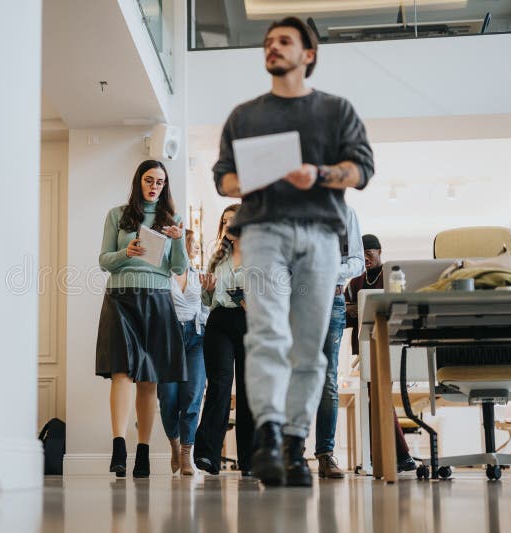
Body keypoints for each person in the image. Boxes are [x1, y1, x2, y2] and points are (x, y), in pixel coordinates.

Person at [212, 16, 374, 487]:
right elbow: (223, 178)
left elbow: (361, 169)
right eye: (268, 41)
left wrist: (318, 174)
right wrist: (253, 177)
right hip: (262, 231)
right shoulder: (244, 116)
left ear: (309, 54)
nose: (273, 47)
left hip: (321, 235)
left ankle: (294, 443)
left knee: (309, 344)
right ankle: (267, 435)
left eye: (284, 41)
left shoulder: (336, 110)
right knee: (267, 334)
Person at [96, 159, 189, 478]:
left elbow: (178, 268)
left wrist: (179, 239)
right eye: (149, 180)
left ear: (165, 186)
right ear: (139, 181)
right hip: (120, 299)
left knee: (149, 379)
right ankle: (119, 447)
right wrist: (127, 253)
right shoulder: (117, 215)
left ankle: (144, 453)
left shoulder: (173, 220)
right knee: (121, 373)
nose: (154, 186)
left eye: (160, 182)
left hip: (156, 299)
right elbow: (104, 261)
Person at [345, 233, 417, 472]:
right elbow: (342, 314)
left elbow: (397, 306)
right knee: (374, 398)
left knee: (378, 397)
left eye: (369, 254)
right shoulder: (354, 282)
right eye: (361, 255)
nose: (365, 259)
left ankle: (395, 455)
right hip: (365, 348)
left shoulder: (391, 275)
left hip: (389, 344)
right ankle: (383, 456)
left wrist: (359, 309)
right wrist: (353, 310)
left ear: (379, 252)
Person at [193, 204, 255, 477]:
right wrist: (207, 290)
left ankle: (250, 460)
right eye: (224, 221)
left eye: (233, 220)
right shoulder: (217, 258)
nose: (228, 225)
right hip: (219, 322)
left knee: (248, 389)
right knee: (219, 385)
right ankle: (207, 454)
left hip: (250, 322)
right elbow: (207, 301)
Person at [314, 206, 364, 479]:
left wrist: (331, 269)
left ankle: (325, 454)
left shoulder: (345, 213)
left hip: (332, 298)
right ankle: (290, 452)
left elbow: (357, 261)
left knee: (328, 379)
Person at [157, 229, 209, 475]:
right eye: (193, 243)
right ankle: (175, 445)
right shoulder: (162, 275)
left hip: (196, 338)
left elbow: (206, 308)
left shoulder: (200, 275)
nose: (197, 247)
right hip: (168, 339)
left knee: (192, 396)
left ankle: (187, 454)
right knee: (168, 399)